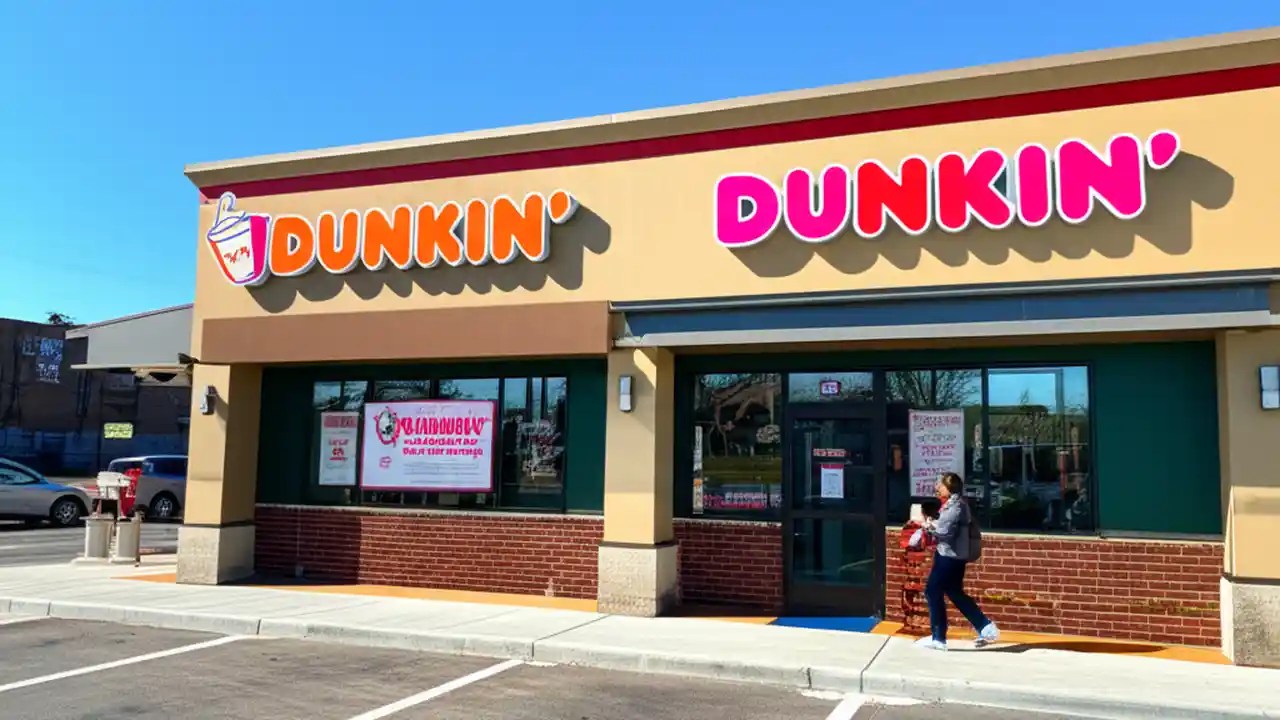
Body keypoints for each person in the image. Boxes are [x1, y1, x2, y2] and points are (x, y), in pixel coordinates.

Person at [915, 472, 1000, 651]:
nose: (937, 488)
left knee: (932, 591)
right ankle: (985, 627)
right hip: (952, 555)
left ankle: (938, 638)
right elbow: (947, 528)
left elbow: (946, 533)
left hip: (949, 557)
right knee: (954, 592)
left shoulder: (956, 507)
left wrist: (928, 527)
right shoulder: (954, 505)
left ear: (950, 488)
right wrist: (934, 525)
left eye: (941, 485)